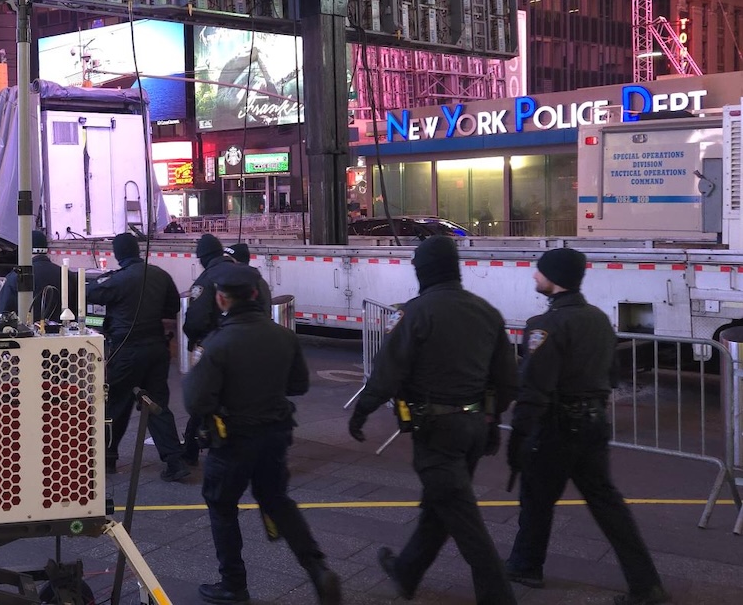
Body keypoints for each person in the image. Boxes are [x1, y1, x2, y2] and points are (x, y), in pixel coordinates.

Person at [347, 236, 518, 605]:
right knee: (442, 503)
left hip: (437, 431)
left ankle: (499, 597)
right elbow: (506, 379)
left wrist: (363, 410)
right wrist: (492, 422)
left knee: (464, 520)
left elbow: (387, 370)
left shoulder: (416, 313)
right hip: (474, 426)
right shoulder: (487, 312)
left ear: (423, 271)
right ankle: (407, 571)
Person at [505, 248, 670, 605]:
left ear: (556, 279)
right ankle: (646, 584)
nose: (535, 276)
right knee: (607, 505)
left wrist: (518, 435)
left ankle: (525, 566)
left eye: (540, 272)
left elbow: (534, 387)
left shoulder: (544, 326)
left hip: (555, 428)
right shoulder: (598, 319)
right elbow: (611, 375)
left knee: (536, 497)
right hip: (593, 424)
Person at [184, 265, 341, 605]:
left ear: (222, 300)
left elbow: (196, 400)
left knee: (222, 505)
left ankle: (234, 584)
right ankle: (317, 568)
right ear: (255, 296)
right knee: (277, 500)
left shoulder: (216, 344)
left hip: (232, 441)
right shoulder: (283, 336)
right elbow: (298, 385)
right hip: (275, 435)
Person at [86, 232, 190, 481]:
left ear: (118, 254)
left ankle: (107, 459)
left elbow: (91, 293)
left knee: (116, 403)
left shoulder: (118, 280)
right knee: (156, 405)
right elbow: (173, 306)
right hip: (156, 349)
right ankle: (175, 462)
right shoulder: (160, 274)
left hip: (127, 350)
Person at [180, 234, 239, 465]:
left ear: (203, 258)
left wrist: (194, 341)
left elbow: (195, 319)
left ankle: (190, 450)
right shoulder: (245, 274)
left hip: (215, 349)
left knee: (202, 397)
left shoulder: (205, 280)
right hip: (245, 347)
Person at [0, 230, 75, 322]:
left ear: (24, 250)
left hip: (28, 334)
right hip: (64, 334)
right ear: (47, 250)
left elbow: (3, 314)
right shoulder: (67, 274)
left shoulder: (16, 276)